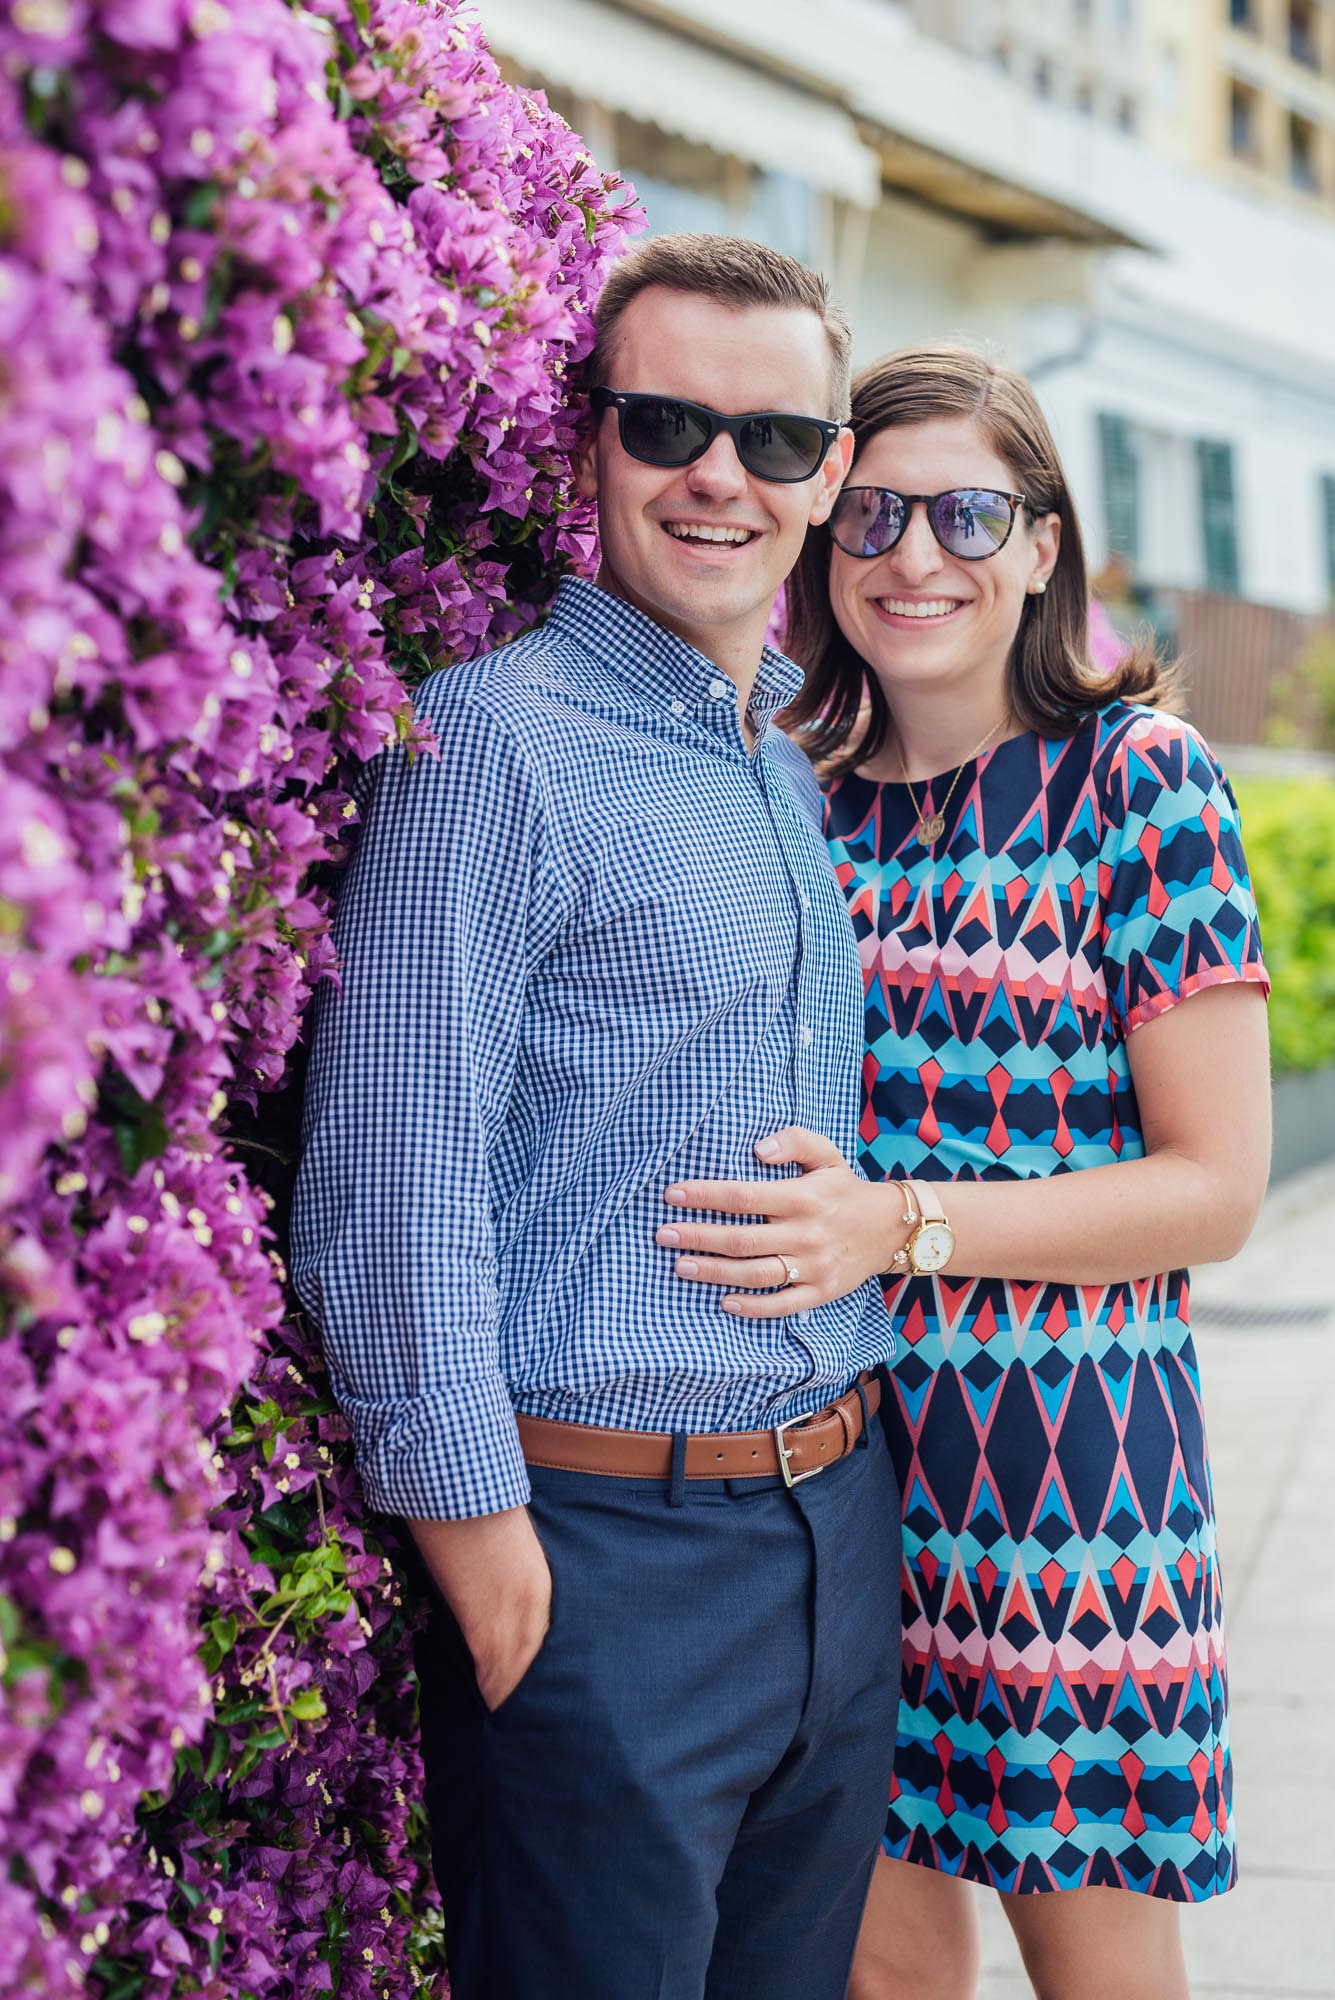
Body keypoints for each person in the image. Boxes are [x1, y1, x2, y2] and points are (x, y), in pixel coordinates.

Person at [289, 235, 903, 2000]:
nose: (720, 473)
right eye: (666, 423)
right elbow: (391, 1172)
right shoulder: (494, 745)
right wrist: (478, 1534)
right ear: (589, 448)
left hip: (829, 1531)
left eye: (775, 439)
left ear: (829, 478)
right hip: (597, 1558)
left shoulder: (780, 758)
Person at [655, 346, 1270, 2000]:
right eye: (870, 517)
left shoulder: (1138, 784)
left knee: (1100, 1972)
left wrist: (896, 1227)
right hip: (831, 1477)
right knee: (877, 1972)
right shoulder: (797, 798)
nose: (914, 555)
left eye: (967, 512)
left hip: (1066, 1481)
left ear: (1045, 545)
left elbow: (1216, 1185)